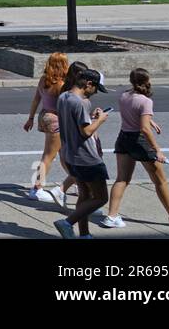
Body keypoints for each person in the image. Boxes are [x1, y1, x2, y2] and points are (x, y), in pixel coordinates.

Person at [100, 68, 169, 229]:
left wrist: (150, 120)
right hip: (139, 141)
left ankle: (111, 216)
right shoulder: (145, 101)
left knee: (122, 179)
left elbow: (132, 113)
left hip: (123, 138)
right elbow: (144, 129)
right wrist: (157, 149)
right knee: (160, 181)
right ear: (146, 81)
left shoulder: (124, 95)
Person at [54, 68, 111, 239]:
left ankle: (84, 234)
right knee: (100, 198)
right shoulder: (79, 102)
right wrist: (100, 120)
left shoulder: (64, 97)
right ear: (88, 84)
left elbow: (75, 122)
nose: (95, 93)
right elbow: (86, 132)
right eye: (95, 89)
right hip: (87, 157)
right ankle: (67, 223)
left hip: (71, 155)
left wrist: (90, 117)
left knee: (85, 195)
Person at [24, 52, 70, 202]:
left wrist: (30, 118)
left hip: (44, 116)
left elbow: (36, 99)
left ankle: (75, 181)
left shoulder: (44, 80)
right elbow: (64, 106)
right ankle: (36, 188)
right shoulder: (62, 84)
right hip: (56, 119)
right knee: (49, 156)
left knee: (63, 152)